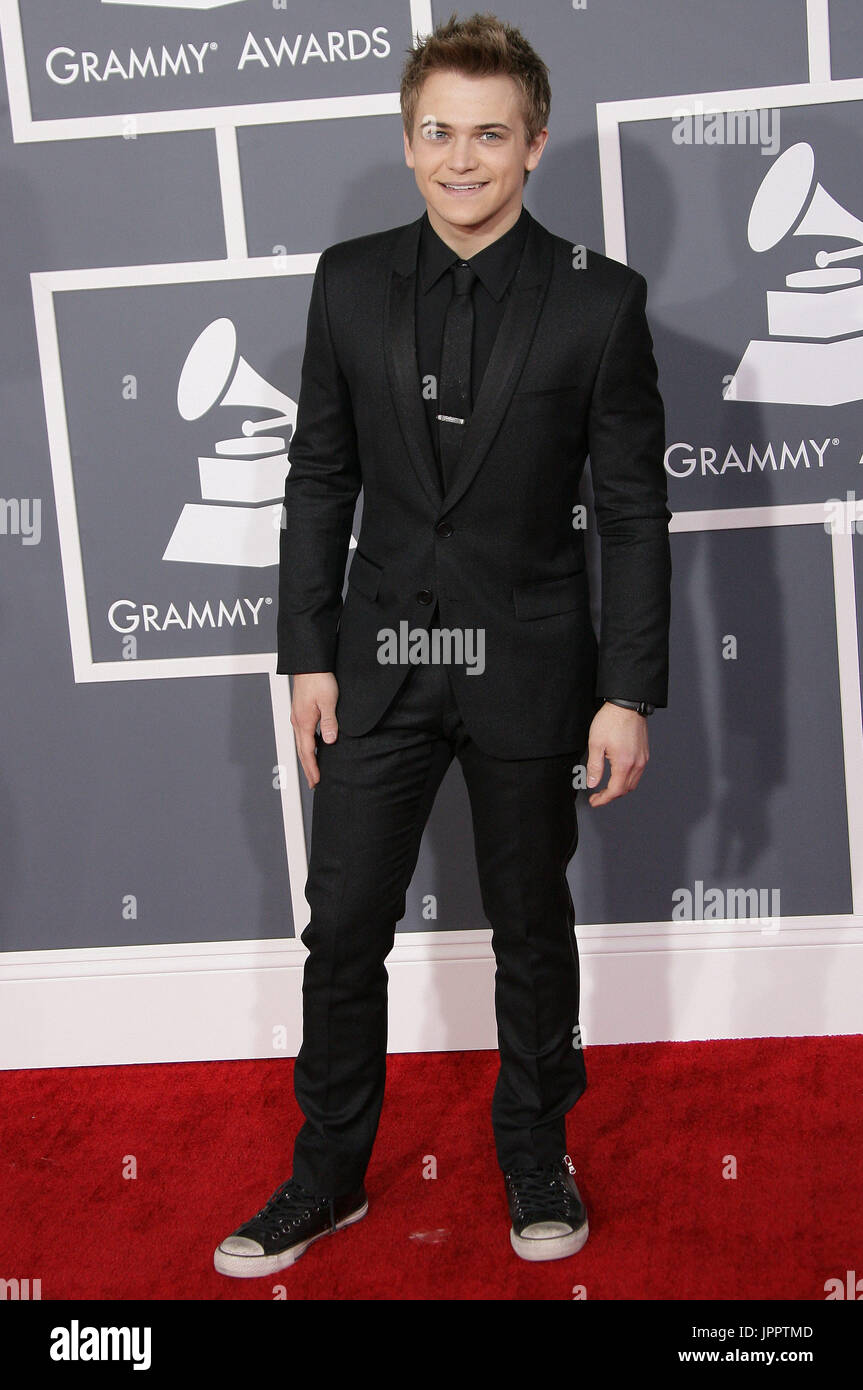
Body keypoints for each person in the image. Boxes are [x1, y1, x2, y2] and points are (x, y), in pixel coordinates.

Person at [215, 10, 671, 1277]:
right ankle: (325, 1176)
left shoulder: (601, 301)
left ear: (532, 144)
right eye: (435, 133)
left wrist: (626, 690)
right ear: (405, 142)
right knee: (342, 920)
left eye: (486, 134)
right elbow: (320, 476)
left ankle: (534, 1152)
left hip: (531, 664)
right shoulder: (348, 281)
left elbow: (632, 508)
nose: (459, 158)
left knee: (530, 924)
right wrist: (306, 656)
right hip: (377, 667)